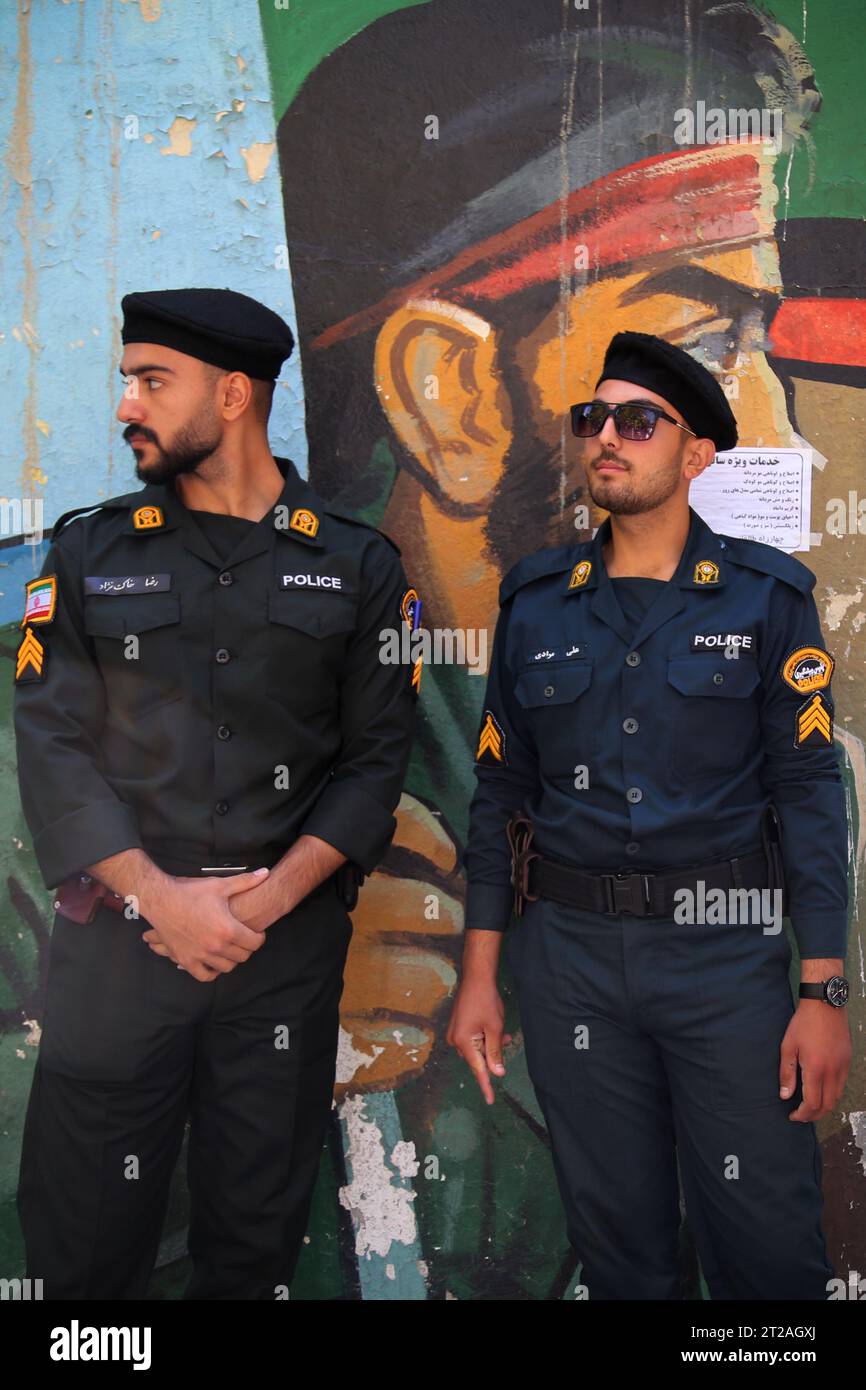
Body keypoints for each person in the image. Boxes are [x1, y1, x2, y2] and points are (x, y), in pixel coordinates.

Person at [13, 287, 418, 1300]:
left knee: (251, 1246)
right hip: (117, 954)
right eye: (127, 381)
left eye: (153, 381)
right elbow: (51, 745)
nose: (126, 406)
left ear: (232, 394)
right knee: (85, 1250)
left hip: (275, 963)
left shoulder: (356, 562)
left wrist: (255, 906)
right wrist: (162, 897)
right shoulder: (89, 552)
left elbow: (374, 764)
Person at [449, 329, 851, 1300]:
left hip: (723, 966)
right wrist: (479, 975)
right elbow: (499, 796)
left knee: (762, 1246)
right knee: (620, 1251)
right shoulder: (539, 601)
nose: (606, 438)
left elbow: (807, 795)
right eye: (592, 419)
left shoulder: (763, 596)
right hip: (572, 965)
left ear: (695, 453)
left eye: (638, 421)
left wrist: (821, 990)